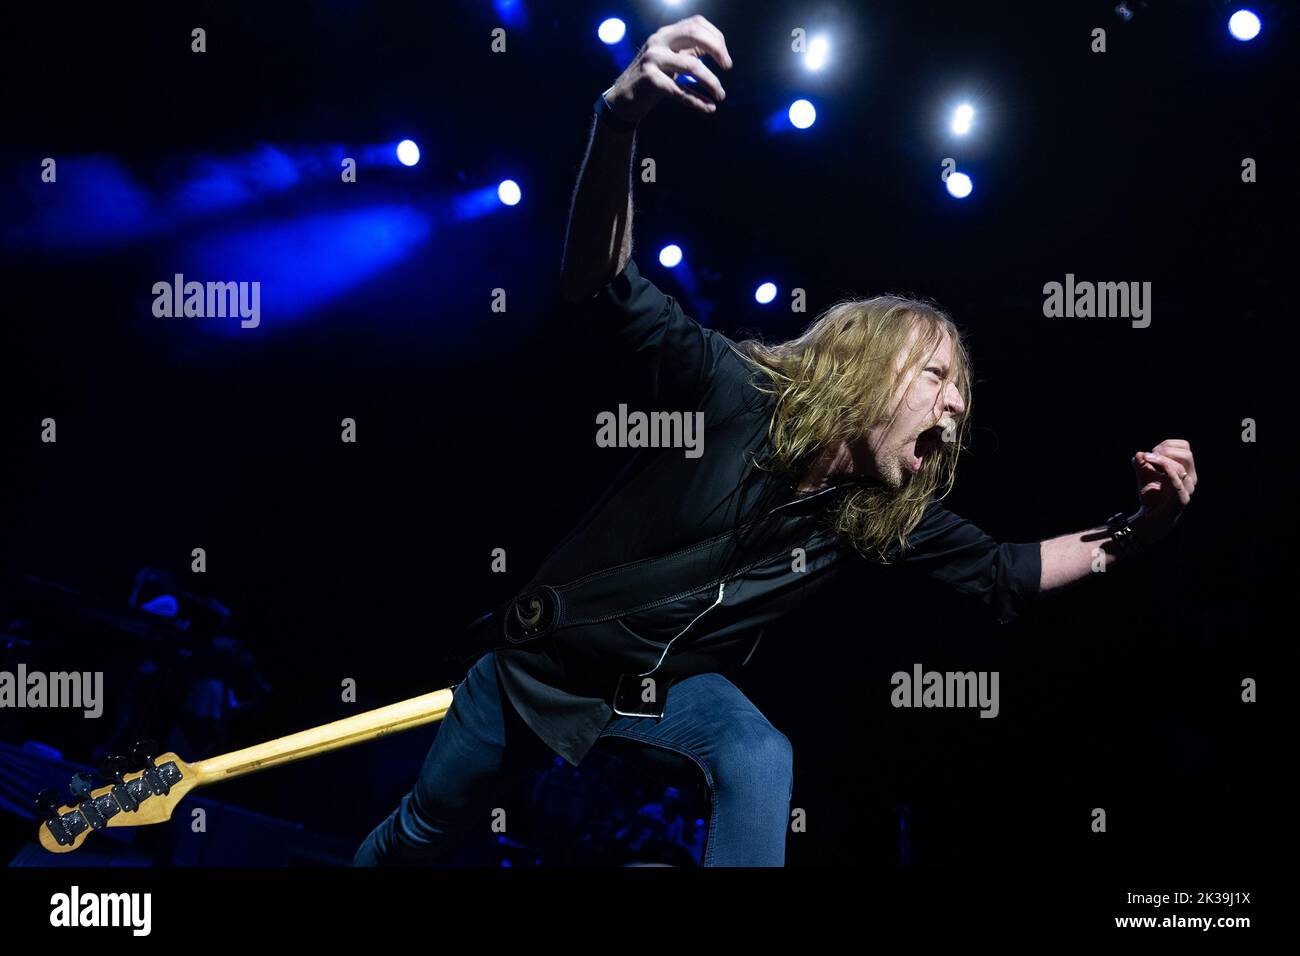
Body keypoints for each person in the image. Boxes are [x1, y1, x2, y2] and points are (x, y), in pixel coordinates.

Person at [355, 14, 1197, 867]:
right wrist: (619, 120)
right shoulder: (731, 391)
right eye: (938, 379)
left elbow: (1010, 571)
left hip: (663, 694)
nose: (953, 411)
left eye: (963, 397)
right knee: (415, 835)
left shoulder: (873, 511)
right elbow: (603, 284)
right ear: (866, 369)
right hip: (538, 670)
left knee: (757, 751)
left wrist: (1141, 533)